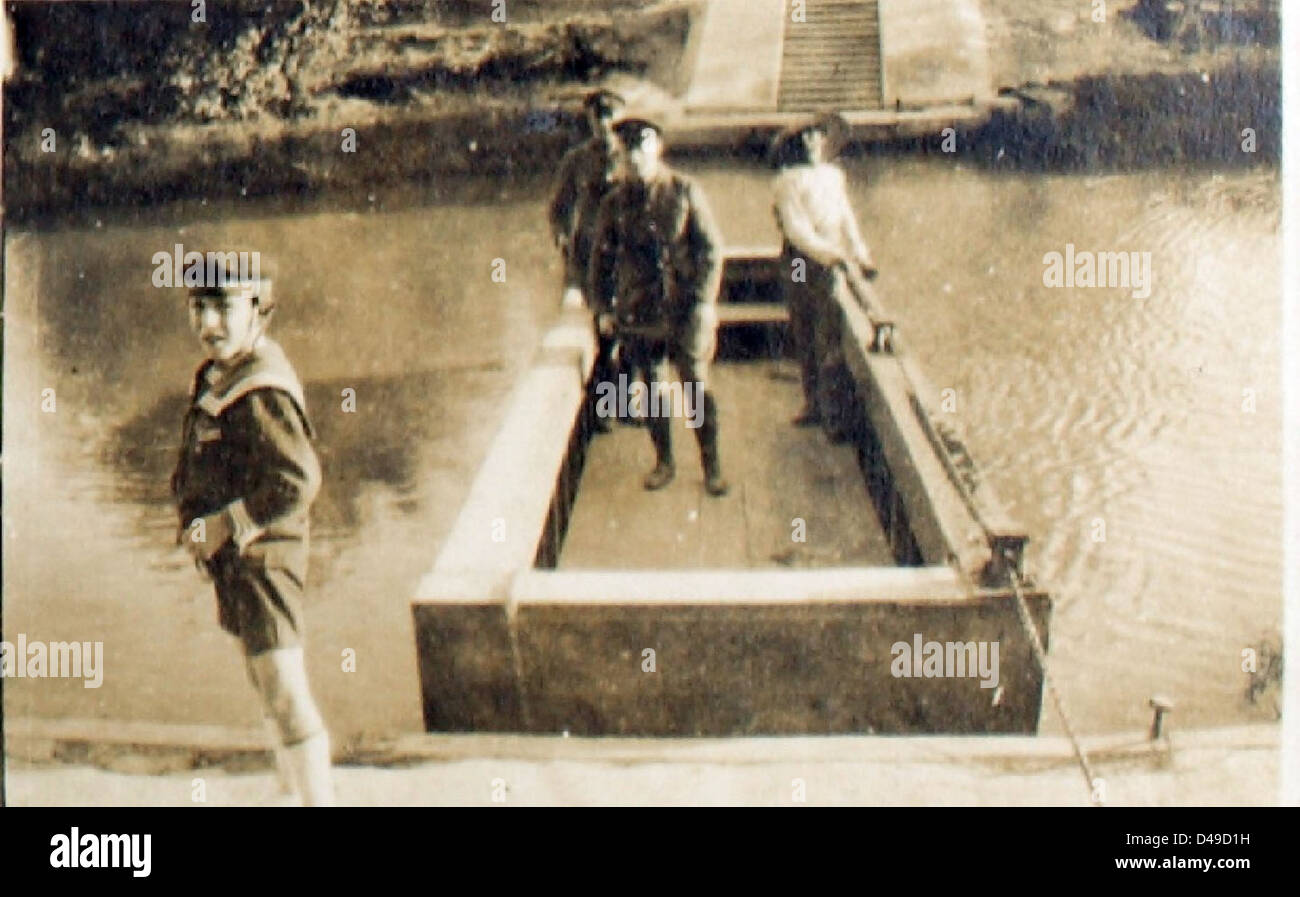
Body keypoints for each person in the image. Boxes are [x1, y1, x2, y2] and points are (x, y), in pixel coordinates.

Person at [171, 263, 335, 807]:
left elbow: (297, 481)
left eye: (224, 307)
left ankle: (317, 801)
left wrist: (225, 523)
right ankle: (291, 793)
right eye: (199, 306)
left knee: (284, 686)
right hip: (236, 562)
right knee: (264, 682)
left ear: (260, 312)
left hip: (264, 560)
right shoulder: (217, 373)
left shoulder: (262, 386)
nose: (209, 321)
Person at [589, 116, 729, 497]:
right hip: (640, 311)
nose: (634, 157)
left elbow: (712, 250)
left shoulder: (684, 191)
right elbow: (600, 258)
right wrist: (602, 307)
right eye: (627, 150)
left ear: (658, 149)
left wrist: (702, 302)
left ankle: (712, 465)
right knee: (652, 390)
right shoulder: (614, 203)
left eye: (642, 147)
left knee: (697, 388)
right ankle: (664, 461)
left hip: (685, 309)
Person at [772, 113, 878, 438]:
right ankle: (812, 404)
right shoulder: (786, 181)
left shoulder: (834, 176)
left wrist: (860, 252)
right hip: (801, 260)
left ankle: (833, 413)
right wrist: (832, 255)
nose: (811, 143)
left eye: (816, 136)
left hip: (831, 258)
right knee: (804, 331)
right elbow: (797, 230)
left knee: (828, 334)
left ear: (824, 141)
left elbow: (846, 217)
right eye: (804, 138)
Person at [548, 89, 627, 432]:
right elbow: (558, 208)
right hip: (595, 254)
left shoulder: (632, 155)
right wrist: (563, 237)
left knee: (633, 330)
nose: (604, 123)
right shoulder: (576, 160)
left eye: (610, 114)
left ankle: (624, 404)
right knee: (604, 333)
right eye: (598, 116)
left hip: (629, 251)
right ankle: (603, 408)